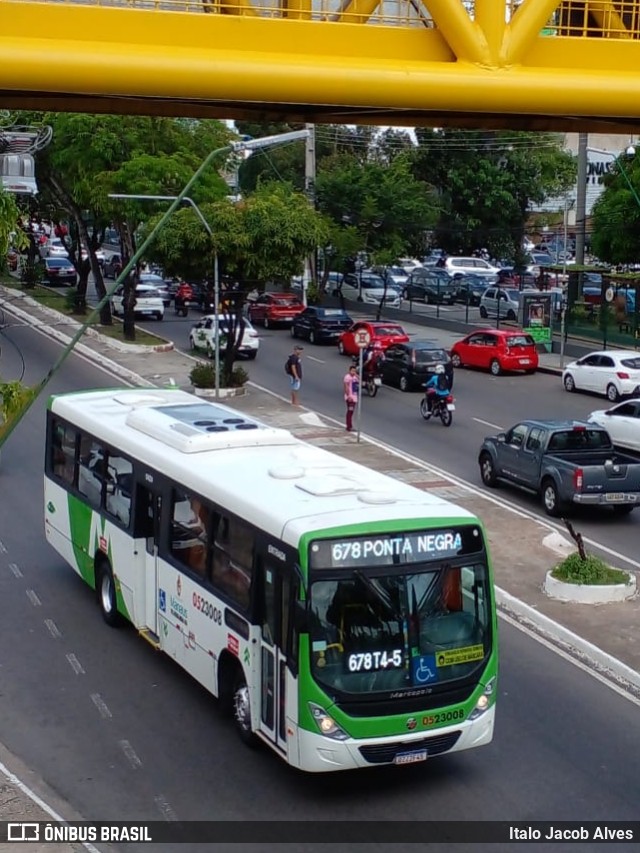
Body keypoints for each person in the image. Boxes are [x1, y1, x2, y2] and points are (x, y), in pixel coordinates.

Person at [343, 364, 359, 432]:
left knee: (351, 412)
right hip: (350, 398)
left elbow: (360, 381)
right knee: (350, 411)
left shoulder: (355, 377)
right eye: (352, 371)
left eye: (354, 371)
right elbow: (346, 387)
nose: (353, 372)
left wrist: (356, 375)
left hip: (354, 396)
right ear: (349, 371)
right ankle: (349, 426)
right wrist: (348, 396)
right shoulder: (347, 377)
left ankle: (349, 426)